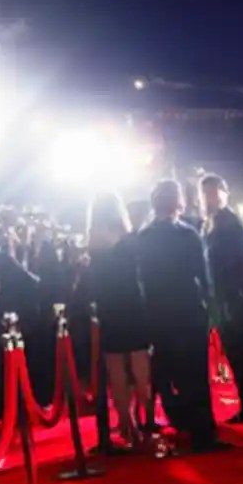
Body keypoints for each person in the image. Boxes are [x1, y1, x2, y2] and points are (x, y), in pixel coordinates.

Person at [138, 179, 224, 452]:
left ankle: (179, 418)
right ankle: (200, 429)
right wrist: (210, 306)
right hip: (187, 310)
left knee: (167, 369)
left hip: (159, 312)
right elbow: (203, 275)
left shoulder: (144, 237)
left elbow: (142, 279)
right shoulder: (188, 234)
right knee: (194, 372)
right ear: (178, 202)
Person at [86, 191, 150, 447]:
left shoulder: (94, 239)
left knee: (116, 370)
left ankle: (126, 424)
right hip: (133, 303)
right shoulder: (130, 237)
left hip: (108, 306)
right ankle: (148, 420)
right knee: (139, 363)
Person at [200, 174, 243, 423]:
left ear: (224, 192)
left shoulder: (230, 223)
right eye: (204, 193)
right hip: (225, 298)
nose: (208, 198)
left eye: (213, 192)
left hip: (235, 298)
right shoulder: (213, 223)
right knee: (236, 354)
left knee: (242, 353)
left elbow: (237, 262)